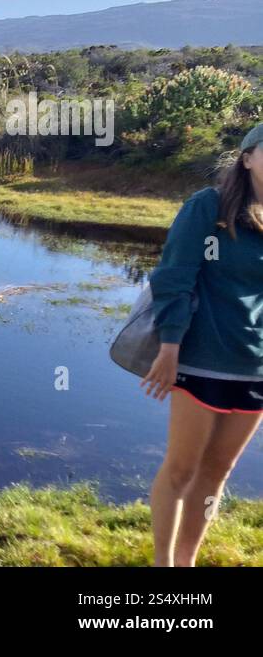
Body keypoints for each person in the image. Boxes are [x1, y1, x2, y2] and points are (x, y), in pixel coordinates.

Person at [143, 122, 263, 566]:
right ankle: (163, 564)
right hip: (201, 360)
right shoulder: (207, 208)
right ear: (247, 158)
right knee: (181, 469)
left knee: (217, 473)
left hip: (255, 366)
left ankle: (187, 562)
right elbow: (173, 278)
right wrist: (169, 348)